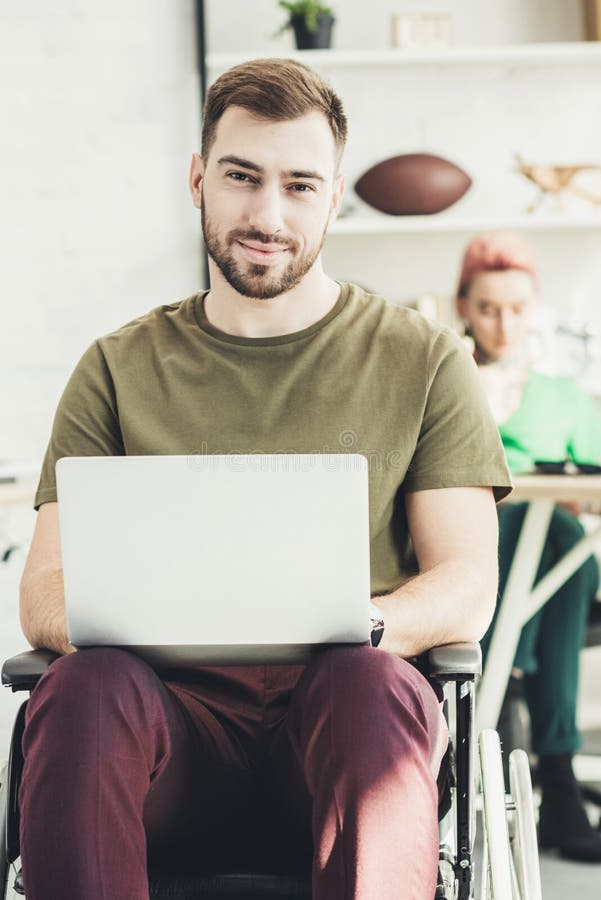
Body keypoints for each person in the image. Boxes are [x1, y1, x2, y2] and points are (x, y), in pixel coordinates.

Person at [18, 59, 511, 900]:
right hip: (163, 748)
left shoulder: (422, 359)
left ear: (334, 198)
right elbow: (44, 596)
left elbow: (464, 584)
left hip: (338, 741)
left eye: (299, 185)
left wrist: (356, 620)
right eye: (242, 177)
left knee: (369, 680)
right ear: (198, 179)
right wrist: (172, 620)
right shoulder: (116, 368)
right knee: (82, 686)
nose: (267, 214)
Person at [456, 231, 601, 862]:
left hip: (549, 553)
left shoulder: (565, 397)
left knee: (556, 531)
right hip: (471, 548)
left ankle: (505, 688)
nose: (503, 323)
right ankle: (557, 777)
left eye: (517, 308)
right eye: (488, 307)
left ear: (535, 309)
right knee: (522, 527)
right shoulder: (445, 380)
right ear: (464, 306)